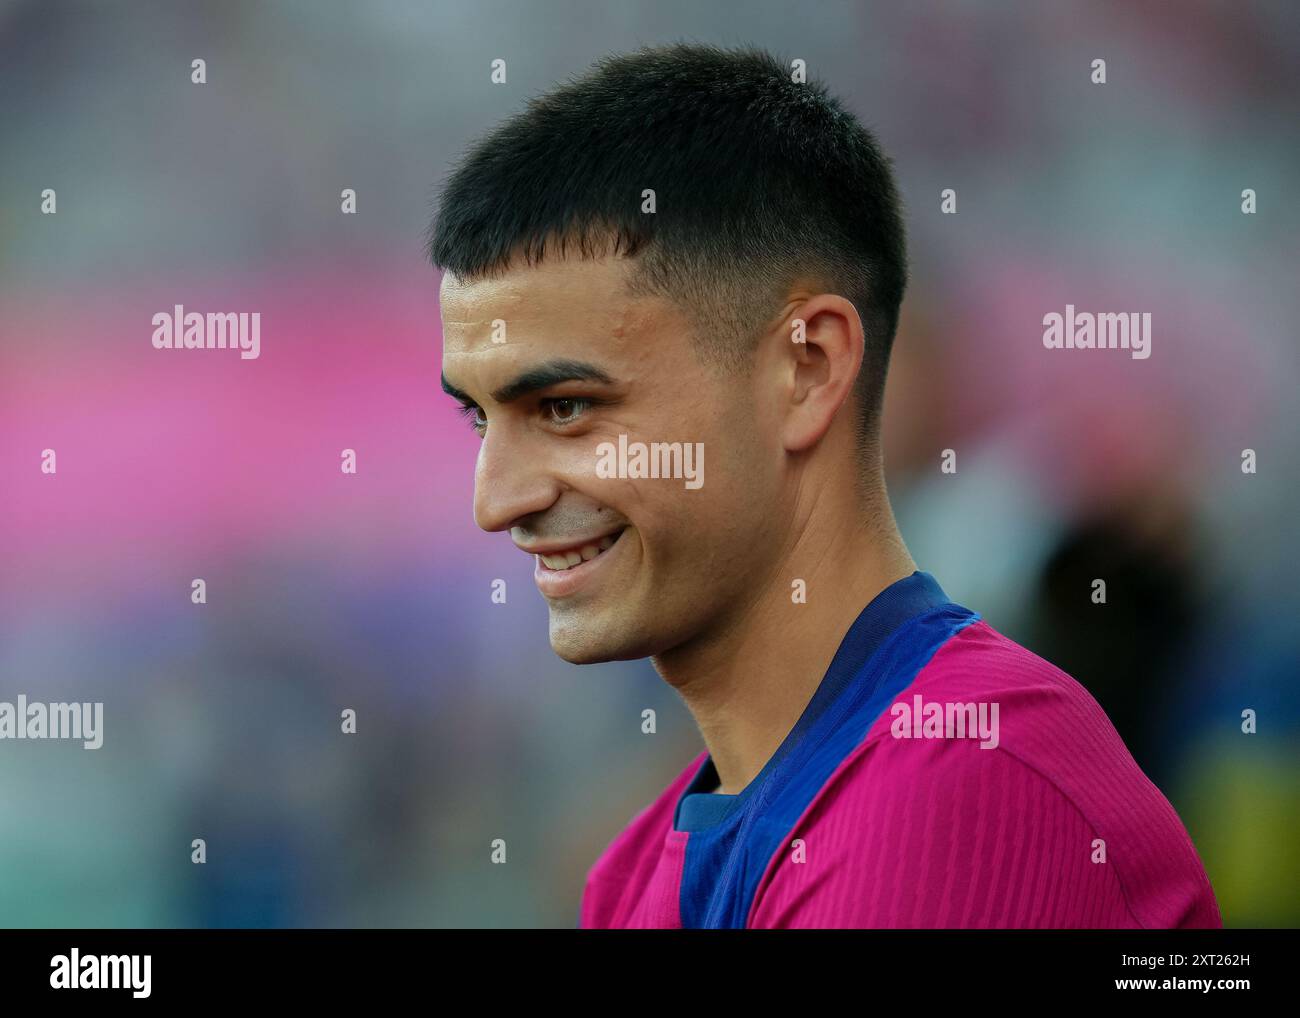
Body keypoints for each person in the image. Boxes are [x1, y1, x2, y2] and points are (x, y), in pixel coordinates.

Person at [428, 42, 1222, 928]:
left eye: (567, 407)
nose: (495, 501)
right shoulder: (633, 873)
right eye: (480, 418)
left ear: (806, 369)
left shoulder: (966, 788)